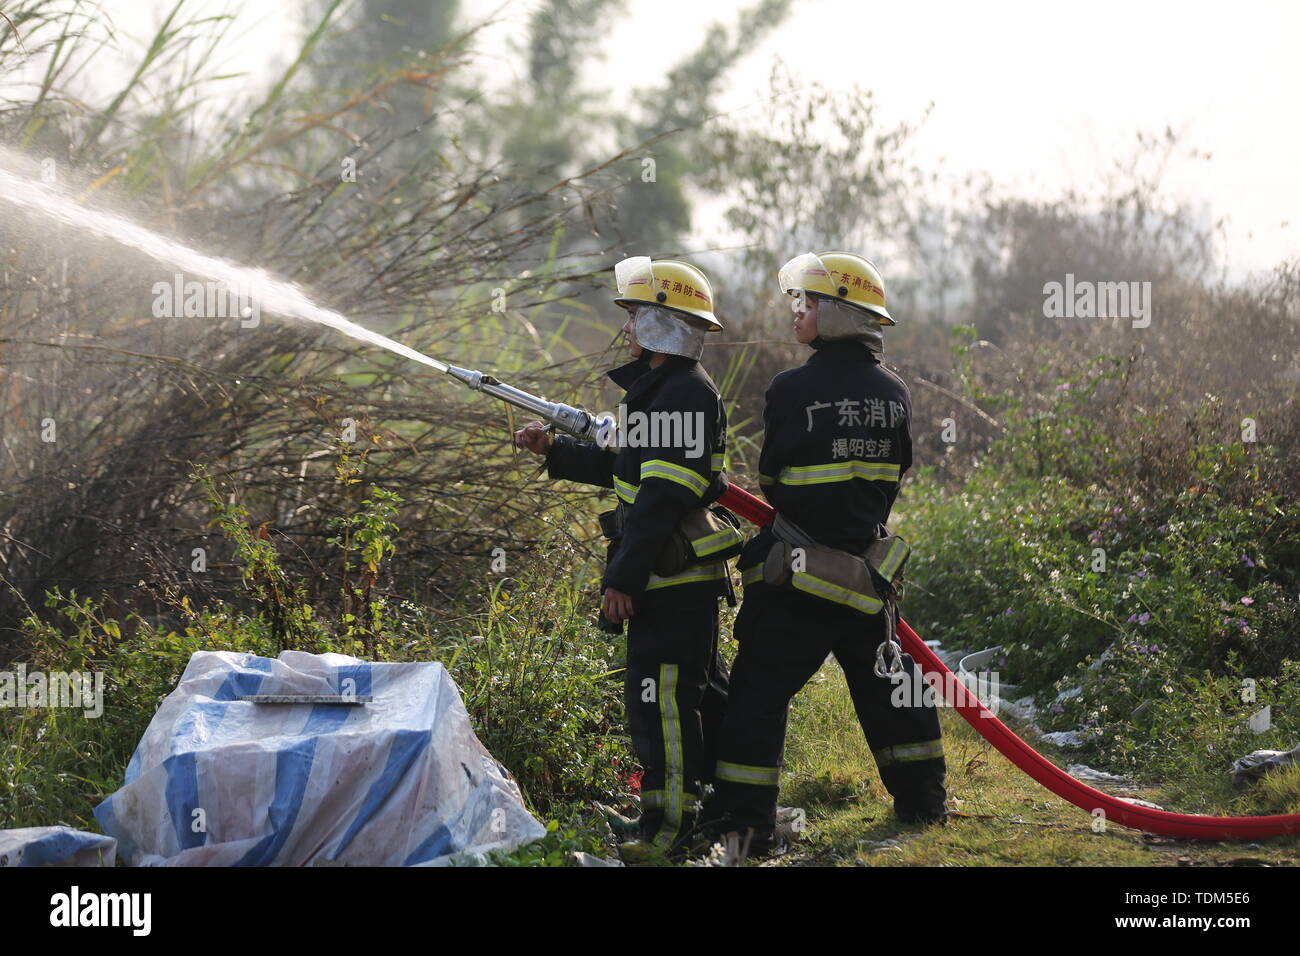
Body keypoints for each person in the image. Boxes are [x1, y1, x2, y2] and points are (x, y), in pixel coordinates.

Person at [703, 251, 948, 854]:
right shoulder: (895, 393)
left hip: (798, 579)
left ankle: (745, 825)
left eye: (807, 302)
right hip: (866, 576)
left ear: (837, 314)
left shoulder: (790, 389)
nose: (796, 311)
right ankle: (924, 803)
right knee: (892, 688)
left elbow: (775, 480)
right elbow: (896, 475)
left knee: (759, 694)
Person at [514, 257, 737, 860]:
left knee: (661, 699)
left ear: (668, 321)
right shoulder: (659, 389)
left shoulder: (683, 394)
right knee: (692, 696)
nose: (630, 325)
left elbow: (661, 496)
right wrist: (554, 449)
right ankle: (713, 814)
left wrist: (623, 579)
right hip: (669, 573)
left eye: (639, 313)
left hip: (669, 573)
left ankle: (669, 832)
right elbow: (627, 469)